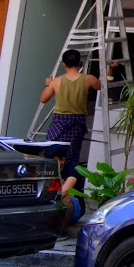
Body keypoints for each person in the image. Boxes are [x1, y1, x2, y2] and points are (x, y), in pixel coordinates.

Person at [40, 50, 111, 198]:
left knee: (52, 158)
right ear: (80, 63)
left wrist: (48, 85)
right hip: (77, 123)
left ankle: (51, 192)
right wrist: (111, 69)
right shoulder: (88, 79)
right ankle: (70, 193)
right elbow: (102, 84)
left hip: (58, 123)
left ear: (64, 65)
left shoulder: (57, 81)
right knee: (71, 160)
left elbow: (43, 99)